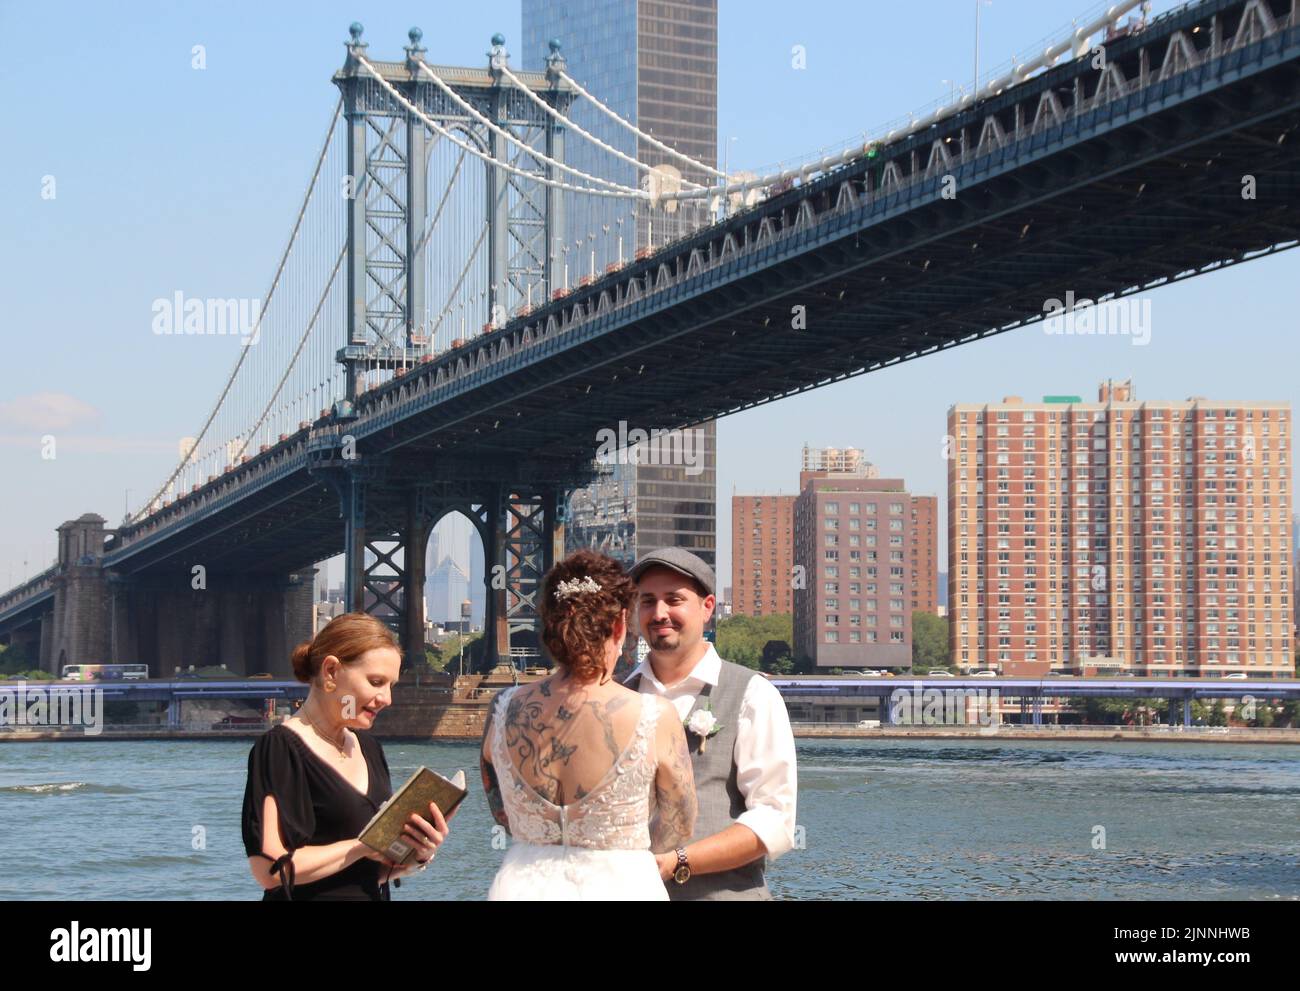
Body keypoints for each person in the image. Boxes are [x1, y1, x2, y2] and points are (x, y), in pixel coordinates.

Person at [481, 550, 697, 900]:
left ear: (549, 625)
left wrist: (544, 840)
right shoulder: (653, 715)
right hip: (623, 885)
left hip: (521, 885)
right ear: (618, 625)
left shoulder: (503, 708)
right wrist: (623, 841)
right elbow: (680, 824)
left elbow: (500, 811)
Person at [241, 612, 454, 900]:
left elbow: (369, 874)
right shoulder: (279, 749)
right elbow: (270, 871)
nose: (387, 699)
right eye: (376, 681)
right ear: (331, 672)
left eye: (391, 685)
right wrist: (364, 845)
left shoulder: (369, 748)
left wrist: (416, 854)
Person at [627, 547, 798, 900]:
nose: (660, 613)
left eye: (674, 600)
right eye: (647, 601)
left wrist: (677, 862)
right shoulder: (615, 696)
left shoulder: (752, 694)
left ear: (707, 608)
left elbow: (773, 822)